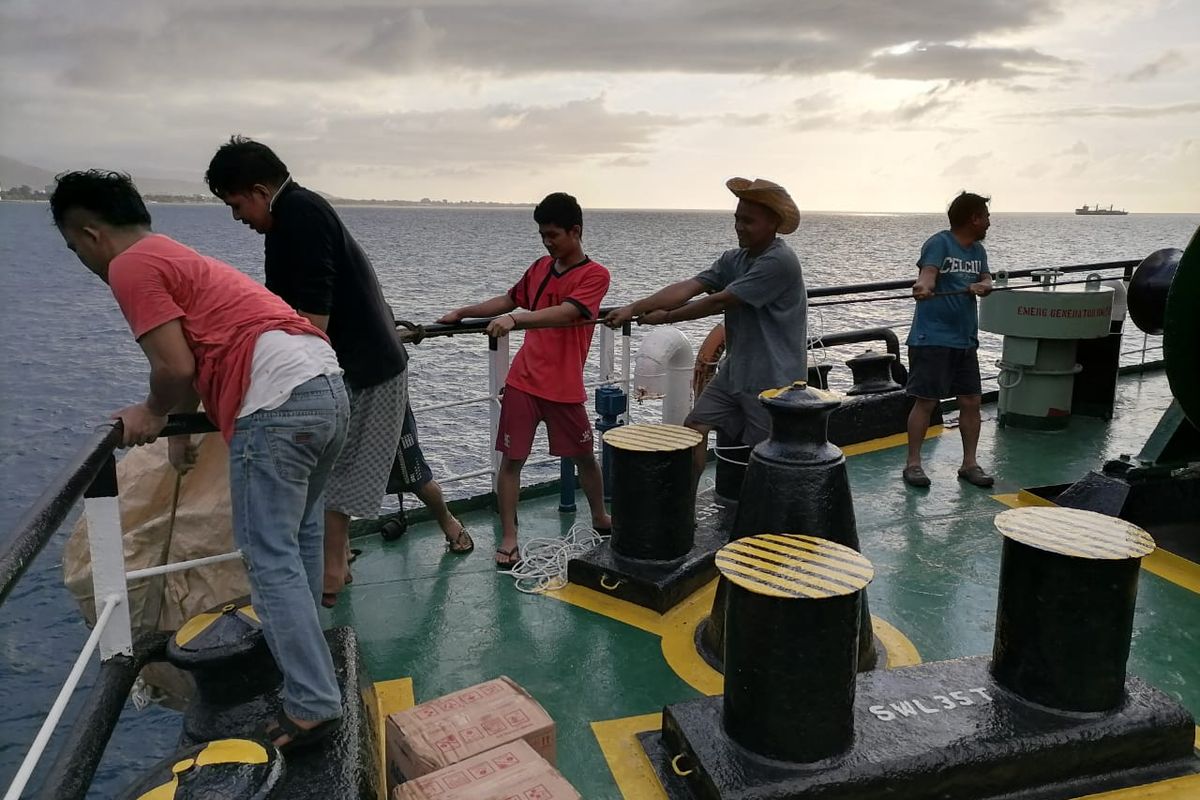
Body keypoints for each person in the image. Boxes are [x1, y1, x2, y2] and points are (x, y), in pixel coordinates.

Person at [50, 170, 348, 749]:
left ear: (89, 234)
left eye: (72, 246)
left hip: (277, 403)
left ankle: (311, 702)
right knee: (302, 537)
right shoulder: (174, 253)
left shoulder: (129, 265)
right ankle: (313, 666)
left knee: (268, 556)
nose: (81, 258)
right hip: (325, 385)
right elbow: (197, 351)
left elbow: (173, 367)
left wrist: (151, 413)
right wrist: (180, 433)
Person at [205, 137, 473, 609]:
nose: (237, 217)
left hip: (367, 368)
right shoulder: (290, 217)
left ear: (260, 189)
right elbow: (280, 309)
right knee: (331, 473)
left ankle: (330, 579)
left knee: (339, 474)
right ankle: (333, 570)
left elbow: (311, 317)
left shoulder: (300, 215)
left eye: (236, 203)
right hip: (360, 362)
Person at [437, 192, 612, 569]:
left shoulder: (595, 275)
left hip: (564, 388)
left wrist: (516, 320)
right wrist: (462, 313)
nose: (548, 242)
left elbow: (568, 313)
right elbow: (508, 300)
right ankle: (510, 538)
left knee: (585, 457)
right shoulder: (539, 268)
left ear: (575, 231)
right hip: (524, 382)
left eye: (553, 235)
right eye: (542, 236)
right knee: (511, 462)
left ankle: (600, 516)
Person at [605, 177, 807, 484]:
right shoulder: (733, 259)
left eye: (748, 221)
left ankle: (761, 521)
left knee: (765, 456)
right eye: (737, 219)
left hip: (772, 379)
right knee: (694, 426)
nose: (739, 227)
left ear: (773, 224)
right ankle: (685, 506)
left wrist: (665, 318)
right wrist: (634, 308)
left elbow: (719, 302)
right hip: (736, 371)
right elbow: (691, 286)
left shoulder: (780, 261)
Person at [902, 191, 995, 489]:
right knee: (926, 402)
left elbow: (987, 280)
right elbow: (927, 275)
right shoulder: (939, 243)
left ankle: (969, 464)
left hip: (965, 339)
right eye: (986, 217)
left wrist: (982, 286)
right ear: (974, 218)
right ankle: (913, 464)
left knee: (971, 401)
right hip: (932, 339)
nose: (989, 223)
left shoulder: (978, 252)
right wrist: (922, 286)